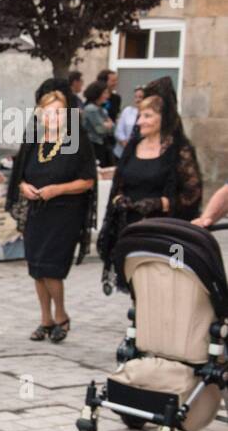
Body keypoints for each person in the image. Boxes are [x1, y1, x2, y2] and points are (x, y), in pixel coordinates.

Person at [4, 82, 96, 343]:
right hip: (38, 213)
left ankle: (62, 316)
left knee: (52, 269)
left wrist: (58, 189)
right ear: (39, 114)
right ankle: (45, 319)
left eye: (57, 112)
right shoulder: (34, 140)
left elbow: (88, 181)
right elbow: (19, 176)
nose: (52, 117)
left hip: (64, 214)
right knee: (36, 268)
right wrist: (24, 187)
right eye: (47, 112)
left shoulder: (77, 141)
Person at [97, 80, 203, 292]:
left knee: (162, 286)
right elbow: (120, 182)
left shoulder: (179, 150)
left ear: (162, 118)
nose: (140, 122)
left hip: (164, 231)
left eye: (147, 116)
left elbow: (193, 193)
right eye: (139, 115)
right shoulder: (133, 148)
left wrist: (161, 202)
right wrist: (120, 199)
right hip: (132, 228)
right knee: (137, 284)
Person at [81, 80, 115, 167]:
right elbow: (101, 129)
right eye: (105, 93)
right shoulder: (91, 109)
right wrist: (108, 125)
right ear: (97, 93)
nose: (107, 96)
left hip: (101, 144)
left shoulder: (101, 109)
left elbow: (113, 128)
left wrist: (108, 125)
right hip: (94, 145)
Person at [113, 84, 143, 159]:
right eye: (136, 97)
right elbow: (119, 130)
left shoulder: (149, 114)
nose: (138, 100)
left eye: (141, 97)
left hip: (140, 152)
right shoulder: (128, 111)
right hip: (122, 151)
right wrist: (126, 145)